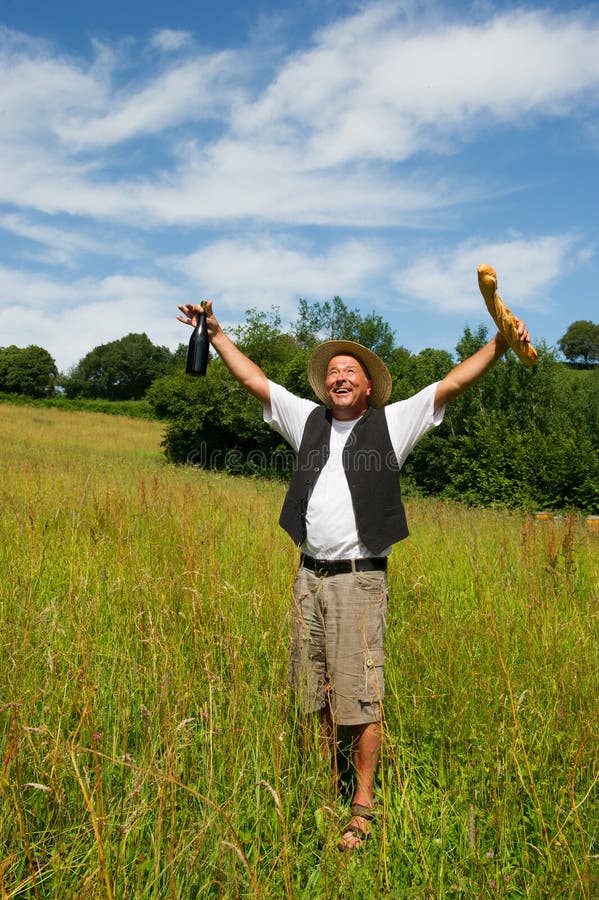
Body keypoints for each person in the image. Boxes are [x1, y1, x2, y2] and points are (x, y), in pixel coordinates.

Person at [177, 299, 531, 850]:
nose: (340, 378)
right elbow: (256, 381)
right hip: (307, 578)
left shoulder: (393, 422)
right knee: (313, 691)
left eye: (350, 372)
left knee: (360, 696)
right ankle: (323, 787)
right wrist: (217, 336)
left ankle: (362, 806)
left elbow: (450, 384)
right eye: (333, 372)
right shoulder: (308, 420)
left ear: (368, 387)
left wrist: (498, 344)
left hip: (359, 580)